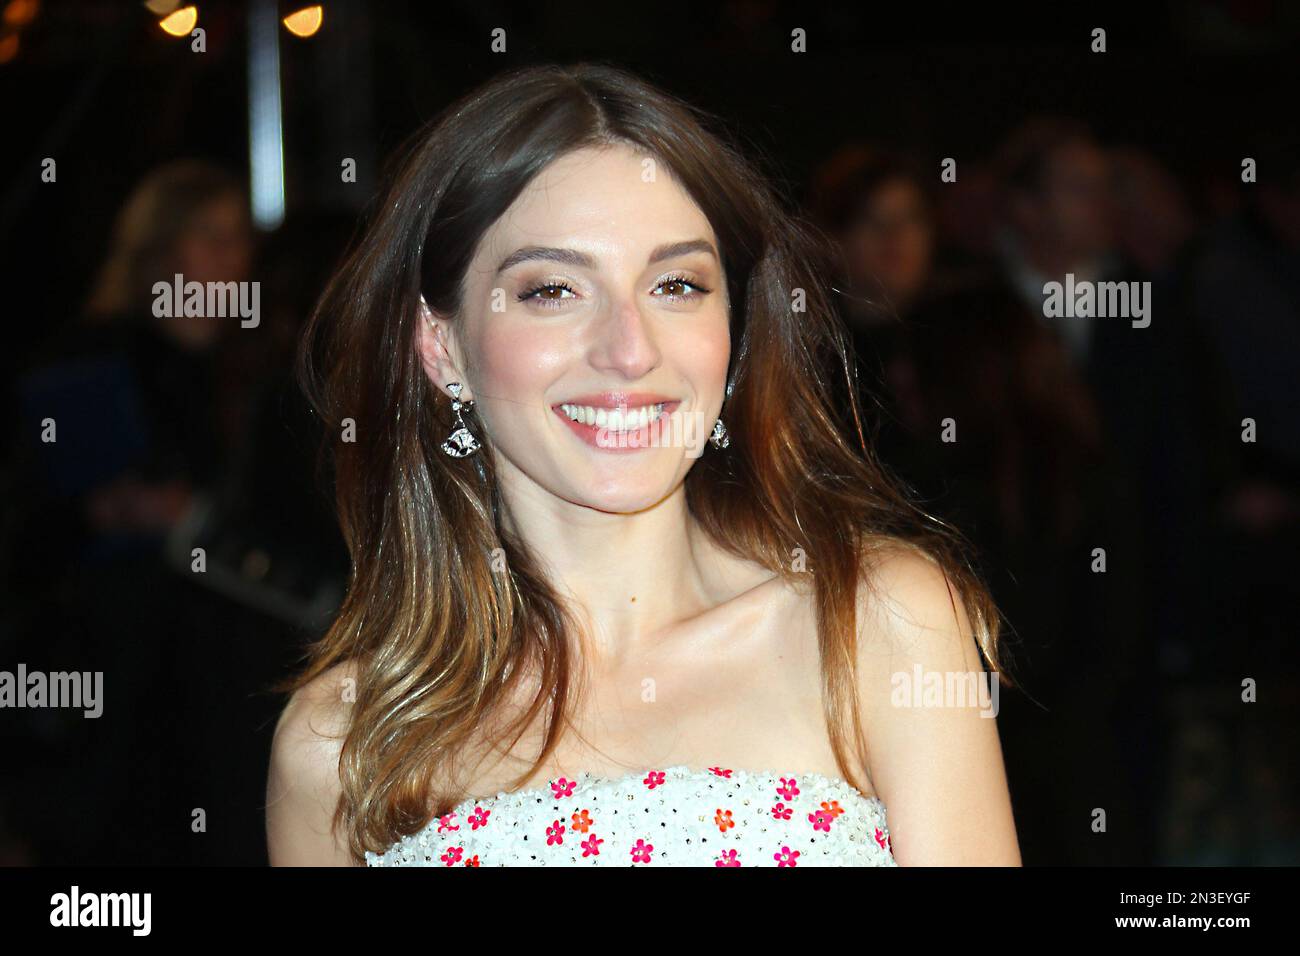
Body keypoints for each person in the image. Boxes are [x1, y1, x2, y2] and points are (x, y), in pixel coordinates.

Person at [265, 63, 1021, 867]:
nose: (629, 351)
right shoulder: (341, 744)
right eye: (553, 290)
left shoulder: (876, 626)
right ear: (440, 344)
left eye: (676, 284)